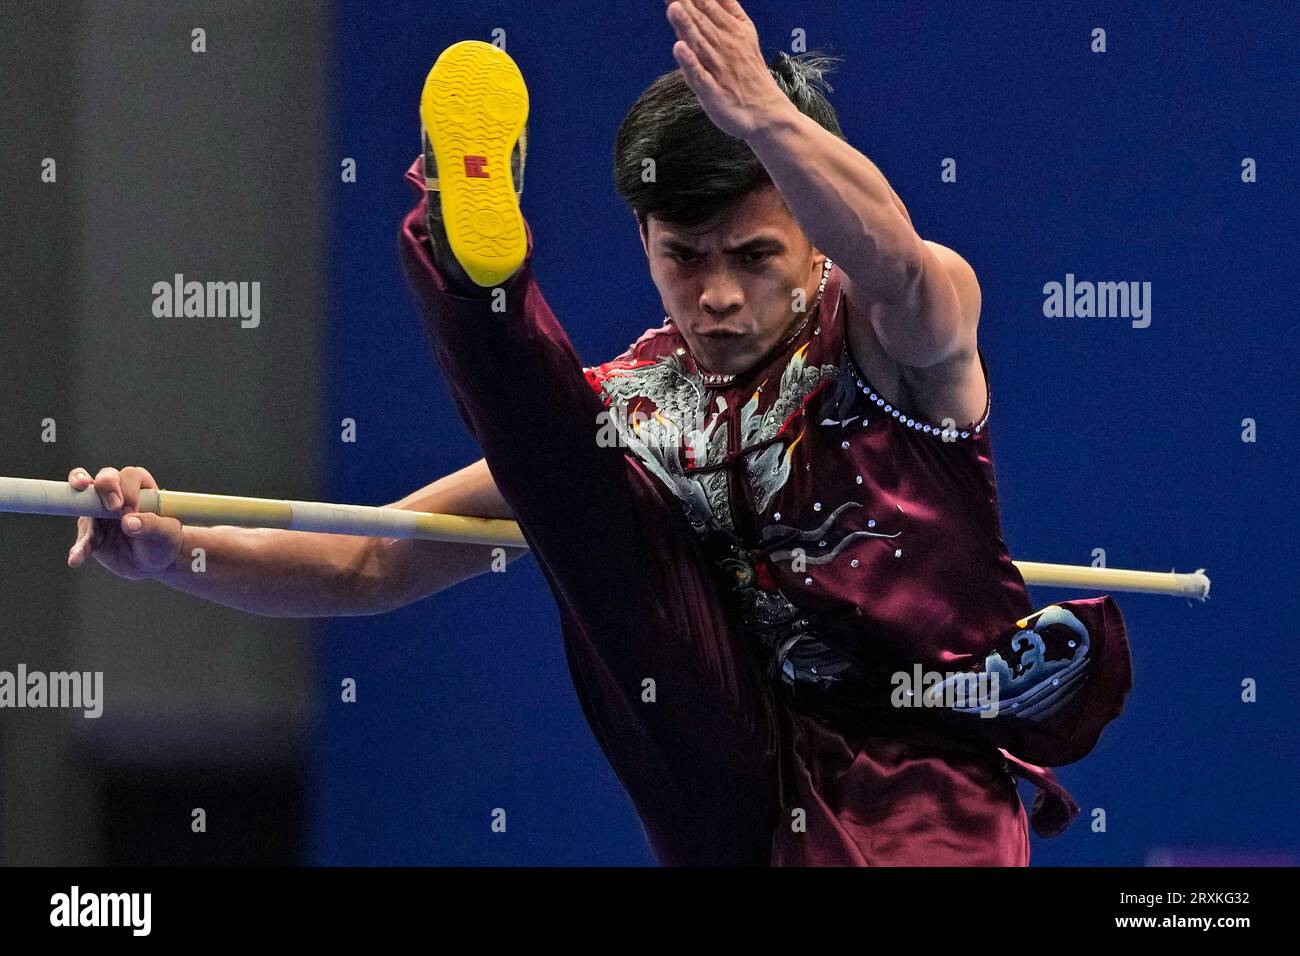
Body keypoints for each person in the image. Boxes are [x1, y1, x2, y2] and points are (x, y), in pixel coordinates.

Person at [66, 4, 1132, 866]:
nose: (713, 296)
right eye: (682, 257)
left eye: (751, 256)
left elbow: (897, 262)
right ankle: (477, 265)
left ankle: (489, 273)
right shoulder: (636, 400)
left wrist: (765, 113)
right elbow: (368, 556)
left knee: (590, 465)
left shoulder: (896, 330)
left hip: (919, 789)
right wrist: (175, 551)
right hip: (719, 780)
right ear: (640, 237)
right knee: (576, 470)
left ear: (812, 237)